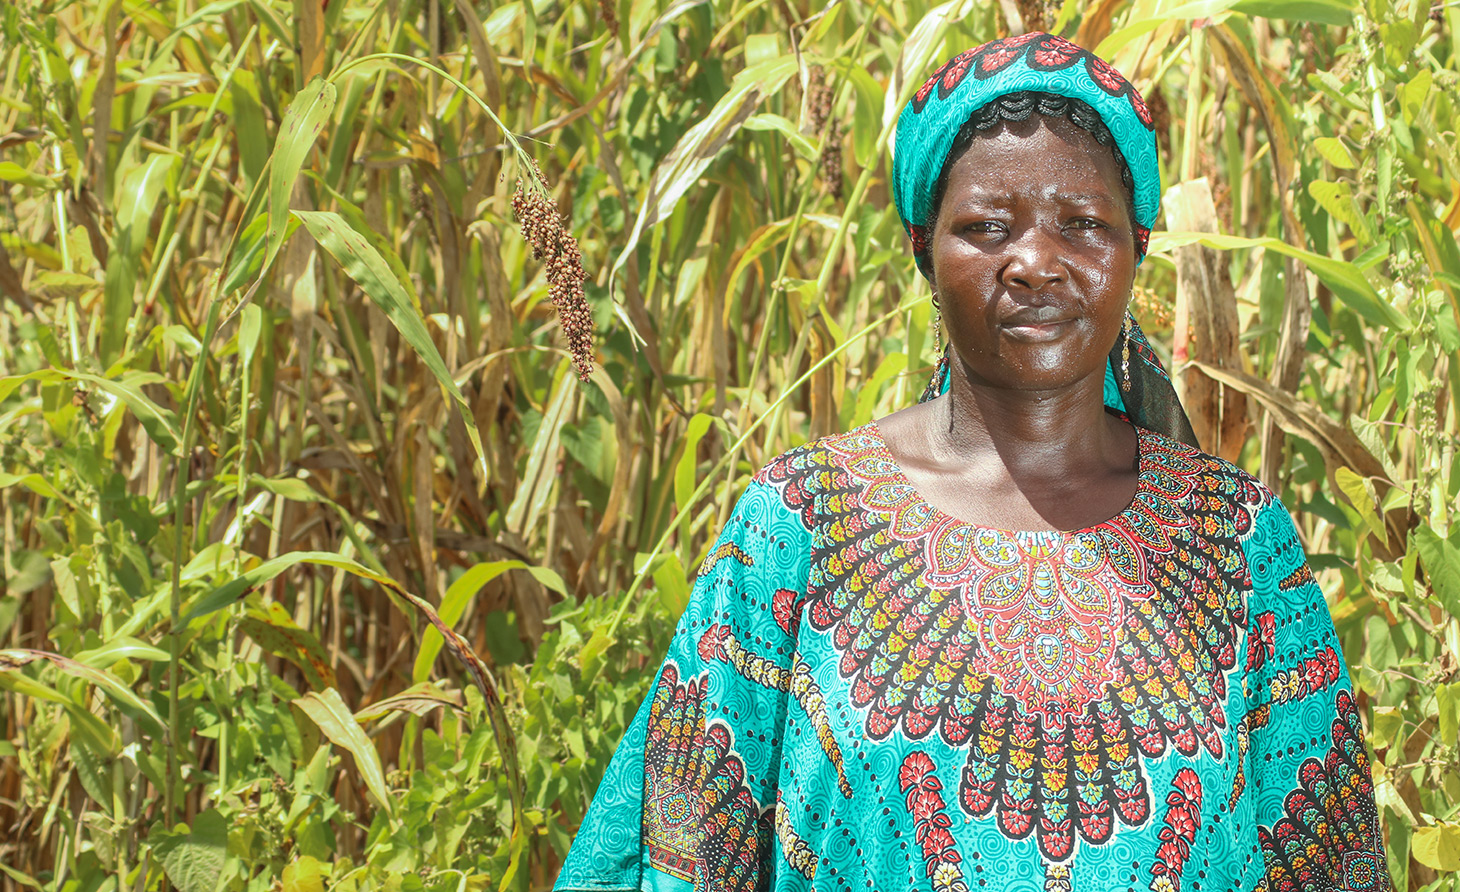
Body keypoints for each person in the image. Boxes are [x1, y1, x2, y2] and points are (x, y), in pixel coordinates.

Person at [554, 32, 1390, 892]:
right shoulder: (801, 521)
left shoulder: (1236, 540)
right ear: (925, 248)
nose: (1037, 264)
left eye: (1084, 226)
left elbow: (1331, 864)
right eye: (989, 227)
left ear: (1136, 246)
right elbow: (676, 850)